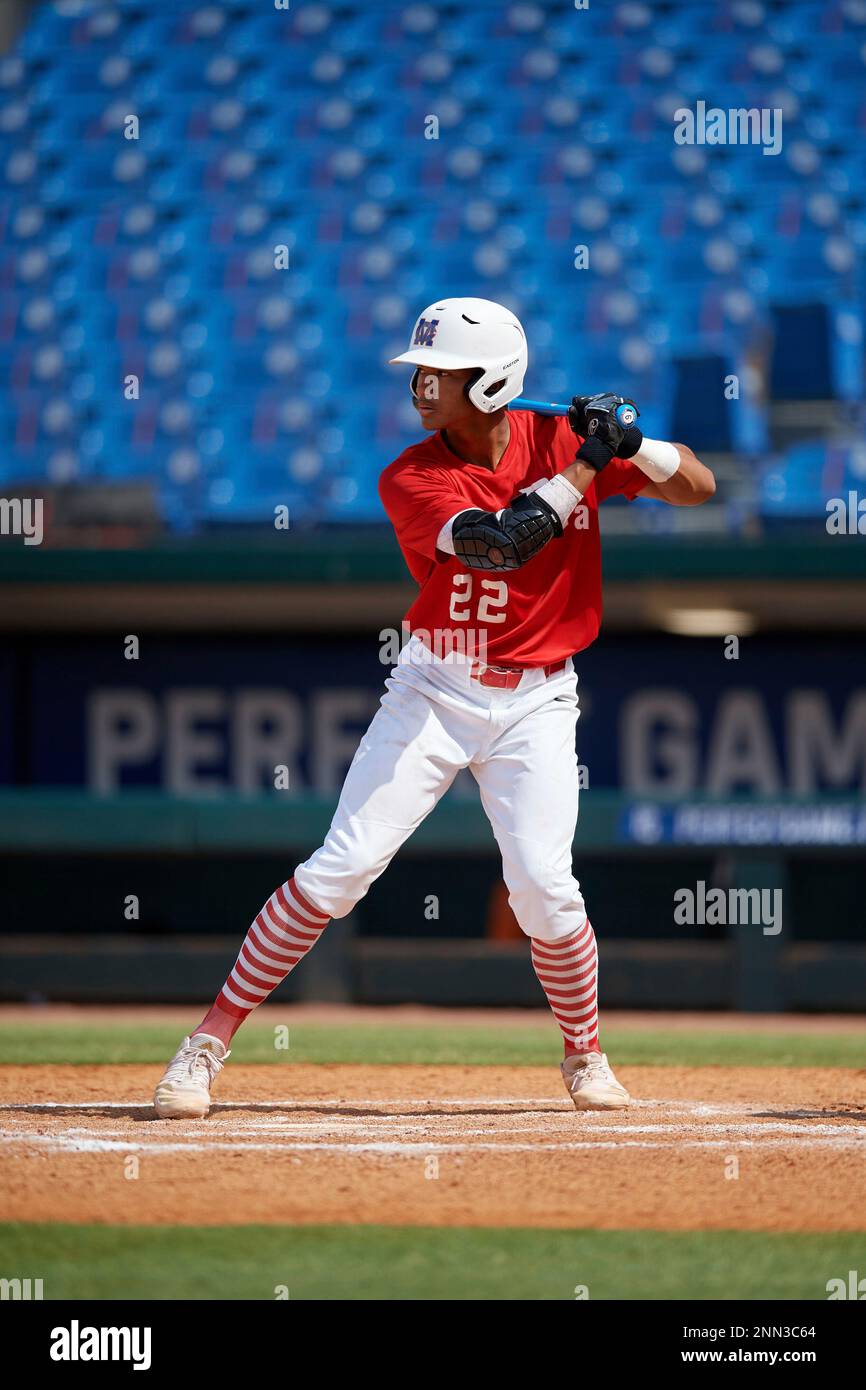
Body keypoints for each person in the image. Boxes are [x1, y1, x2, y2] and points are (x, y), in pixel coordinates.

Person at [154, 296, 715, 1119]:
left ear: (489, 382)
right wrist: (594, 460)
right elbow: (502, 541)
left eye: (440, 372)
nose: (420, 384)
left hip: (540, 697)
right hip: (436, 684)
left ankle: (585, 1056)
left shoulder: (560, 438)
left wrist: (638, 441)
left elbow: (698, 487)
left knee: (545, 888)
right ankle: (205, 1045)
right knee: (341, 869)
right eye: (421, 369)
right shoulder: (412, 474)